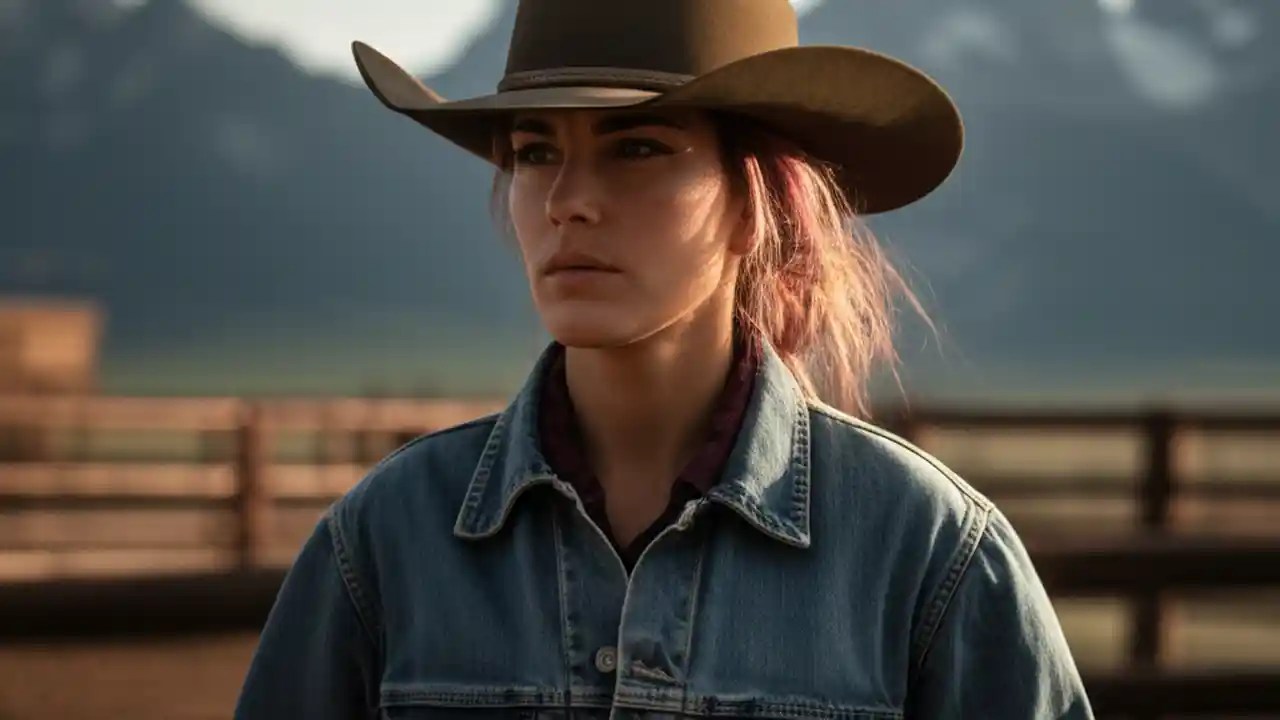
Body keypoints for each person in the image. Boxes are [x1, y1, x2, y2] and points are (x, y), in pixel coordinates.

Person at [235, 1, 1094, 717]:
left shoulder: (926, 554)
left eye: (637, 147)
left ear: (755, 205)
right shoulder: (388, 540)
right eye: (536, 153)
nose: (569, 202)